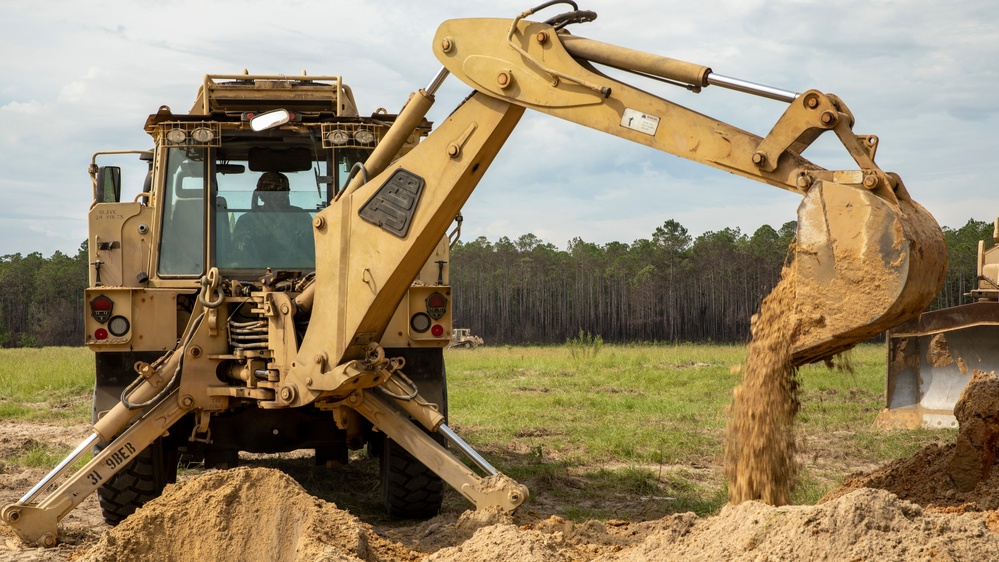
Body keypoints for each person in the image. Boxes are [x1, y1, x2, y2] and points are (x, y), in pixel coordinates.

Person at [231, 171, 315, 268]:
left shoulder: (300, 217)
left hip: (300, 277)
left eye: (283, 193)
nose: (281, 197)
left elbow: (312, 252)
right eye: (273, 194)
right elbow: (239, 258)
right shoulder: (247, 221)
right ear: (262, 196)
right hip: (254, 277)